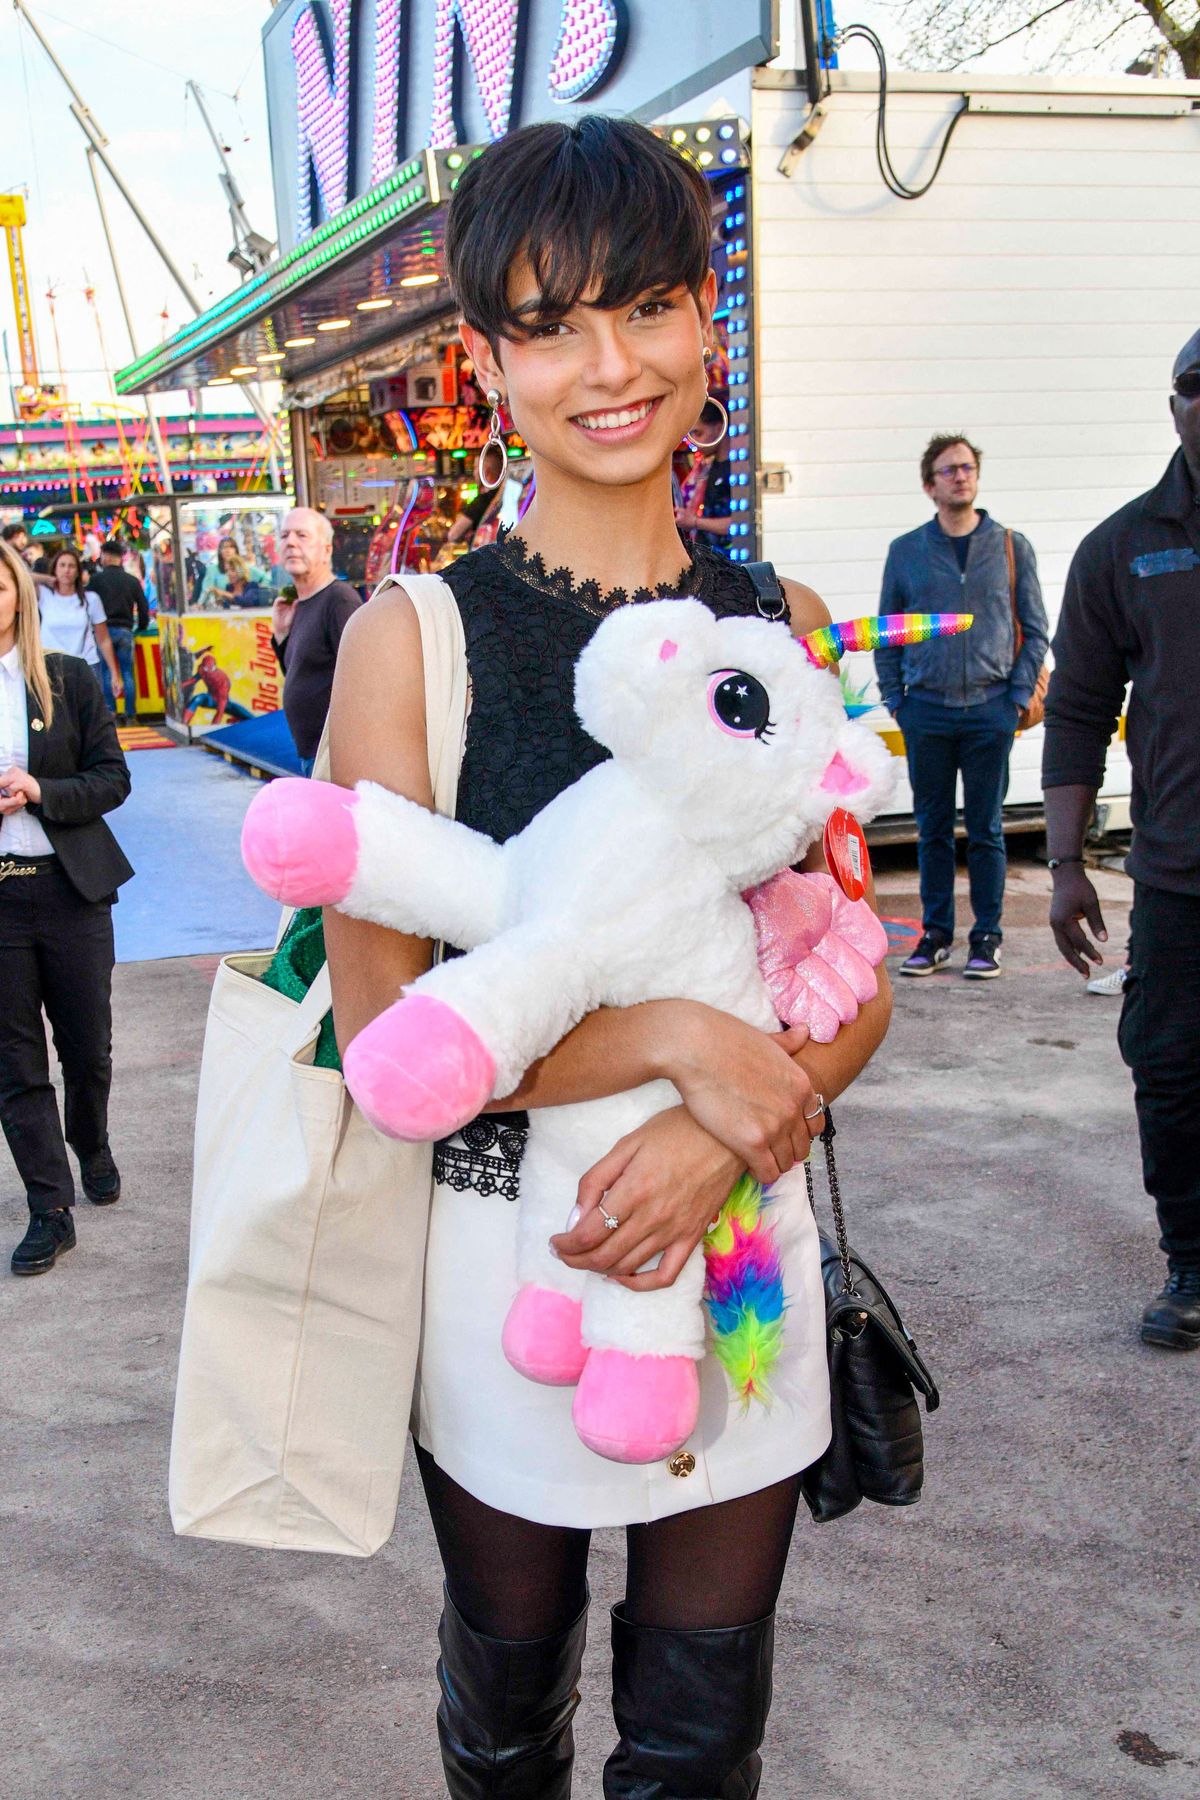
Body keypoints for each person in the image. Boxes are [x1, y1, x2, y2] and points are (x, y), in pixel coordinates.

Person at [322, 116, 892, 1797]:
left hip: (740, 1254)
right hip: (511, 1257)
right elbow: (385, 1025)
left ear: (707, 321)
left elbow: (851, 964)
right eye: (553, 325)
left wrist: (728, 1127)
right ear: (488, 361)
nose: (612, 366)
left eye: (646, 307)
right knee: (507, 1718)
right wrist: (672, 1042)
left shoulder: (785, 625)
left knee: (703, 1736)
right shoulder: (415, 640)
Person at [1043, 328, 1200, 1351]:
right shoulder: (1122, 547)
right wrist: (1063, 865)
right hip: (1182, 878)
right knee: (1172, 1070)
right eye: (1196, 385)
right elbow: (1078, 712)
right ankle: (1193, 1264)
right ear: (1173, 405)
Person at [0, 538, 133, 1275]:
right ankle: (49, 1209)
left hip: (69, 890)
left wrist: (40, 791)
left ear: (19, 594)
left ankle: (92, 1142)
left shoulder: (67, 678)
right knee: (14, 1062)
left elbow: (112, 778)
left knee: (87, 1049)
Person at [875, 434, 1049, 980]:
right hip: (926, 710)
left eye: (967, 467)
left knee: (986, 830)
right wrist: (896, 700)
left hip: (990, 710)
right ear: (929, 485)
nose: (960, 477)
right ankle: (935, 936)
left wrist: (1016, 698)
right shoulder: (907, 551)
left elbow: (1036, 630)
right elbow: (888, 631)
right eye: (948, 470)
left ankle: (987, 938)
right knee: (931, 830)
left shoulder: (1010, 546)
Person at [270, 508, 361, 775]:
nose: (291, 542)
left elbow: (362, 677)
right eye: (284, 535)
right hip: (312, 755)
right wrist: (282, 635)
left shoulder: (339, 600)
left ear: (326, 550)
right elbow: (303, 674)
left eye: (302, 535)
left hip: (335, 757)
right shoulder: (300, 603)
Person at [37, 547, 125, 714]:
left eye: (71, 566)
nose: (66, 570)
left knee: (89, 714)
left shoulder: (91, 599)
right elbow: (21, 577)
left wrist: (115, 673)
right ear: (55, 568)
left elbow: (104, 639)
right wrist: (47, 579)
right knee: (56, 715)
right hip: (51, 665)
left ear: (78, 572)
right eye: (62, 565)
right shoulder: (44, 596)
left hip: (85, 664)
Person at [87, 539, 149, 723]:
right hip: (125, 631)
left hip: (103, 632)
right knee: (127, 672)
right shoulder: (132, 581)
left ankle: (111, 712)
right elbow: (143, 607)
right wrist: (142, 627)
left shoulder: (95, 581)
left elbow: (86, 605)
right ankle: (130, 713)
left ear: (105, 556)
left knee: (106, 672)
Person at [674, 398, 734, 555]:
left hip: (725, 557)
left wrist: (694, 522)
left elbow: (737, 523)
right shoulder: (707, 467)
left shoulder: (734, 470)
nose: (694, 442)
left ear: (719, 429)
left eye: (698, 433)